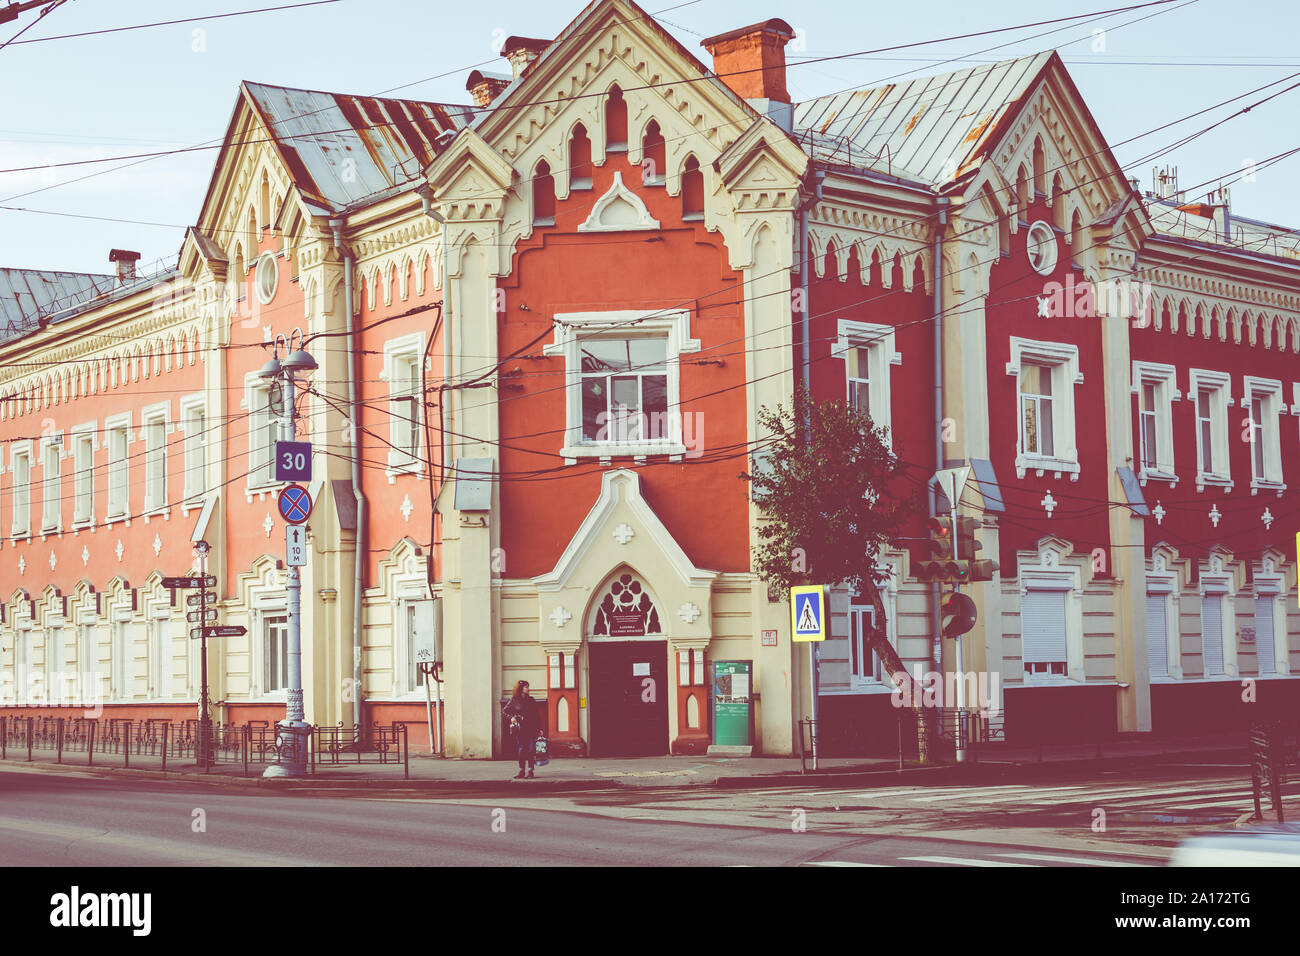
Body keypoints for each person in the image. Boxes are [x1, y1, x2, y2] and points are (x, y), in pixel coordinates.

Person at [503, 680, 540, 779]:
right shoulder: (514, 700)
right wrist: (512, 717)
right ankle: (521, 770)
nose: (528, 689)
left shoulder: (531, 700)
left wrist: (539, 728)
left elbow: (536, 715)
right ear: (521, 689)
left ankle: (530, 770)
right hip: (520, 728)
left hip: (531, 728)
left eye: (528, 687)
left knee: (531, 749)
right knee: (522, 749)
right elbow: (505, 711)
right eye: (526, 687)